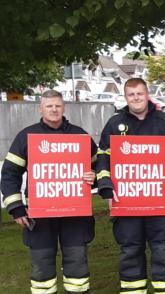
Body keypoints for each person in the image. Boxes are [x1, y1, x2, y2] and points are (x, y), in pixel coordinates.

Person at [95, 78, 165, 294]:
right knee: (130, 250)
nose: (136, 98)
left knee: (163, 249)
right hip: (126, 202)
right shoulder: (114, 124)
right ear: (126, 98)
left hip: (159, 200)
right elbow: (103, 158)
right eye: (131, 94)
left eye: (139, 93)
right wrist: (107, 188)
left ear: (147, 94)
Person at [1, 90, 97, 293]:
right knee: (42, 267)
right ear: (41, 108)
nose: (54, 109)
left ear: (63, 107)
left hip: (75, 214)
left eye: (57, 105)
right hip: (40, 215)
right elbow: (10, 173)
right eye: (49, 106)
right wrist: (17, 208)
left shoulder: (79, 135)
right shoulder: (26, 136)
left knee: (77, 266)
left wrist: (94, 176)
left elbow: (100, 165)